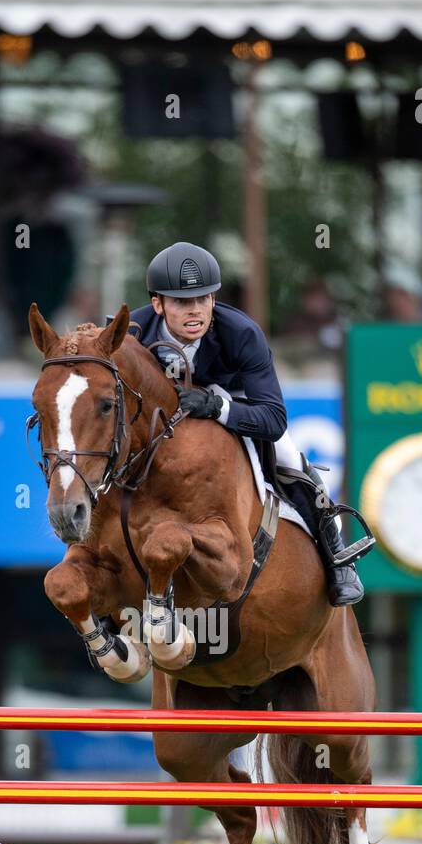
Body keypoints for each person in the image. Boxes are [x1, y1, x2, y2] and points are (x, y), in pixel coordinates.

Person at [129, 241, 372, 605]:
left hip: (233, 402)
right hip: (158, 420)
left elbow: (273, 419)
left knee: (290, 456)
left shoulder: (241, 332)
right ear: (158, 304)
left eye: (203, 299)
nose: (195, 311)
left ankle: (337, 558)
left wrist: (216, 406)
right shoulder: (132, 333)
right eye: (181, 302)